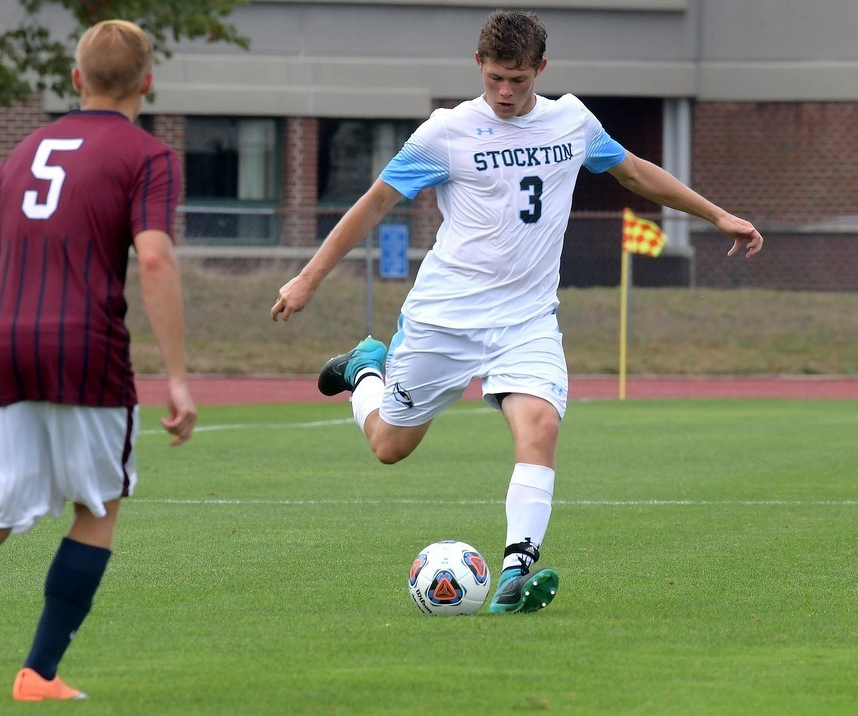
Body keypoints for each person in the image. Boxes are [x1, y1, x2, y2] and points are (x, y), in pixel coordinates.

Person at [271, 9, 763, 615]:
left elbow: (635, 173)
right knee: (389, 446)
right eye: (497, 78)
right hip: (443, 318)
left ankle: (514, 572)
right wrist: (307, 278)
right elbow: (373, 205)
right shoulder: (445, 133)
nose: (506, 93)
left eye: (519, 81)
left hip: (527, 319)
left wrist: (716, 215)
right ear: (479, 65)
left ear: (541, 71)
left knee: (541, 427)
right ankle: (365, 369)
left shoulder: (572, 122)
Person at [0, 20, 197, 701]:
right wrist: (179, 378)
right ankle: (37, 673)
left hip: (4, 346)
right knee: (97, 503)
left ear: (76, 80)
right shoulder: (148, 155)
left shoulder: (19, 155)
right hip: (85, 349)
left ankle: (39, 674)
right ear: (148, 82)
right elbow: (155, 256)